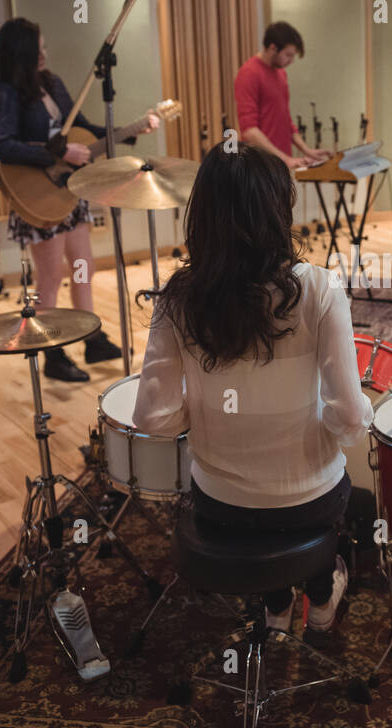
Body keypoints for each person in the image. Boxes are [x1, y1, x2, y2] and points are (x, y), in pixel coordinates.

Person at [133, 142, 373, 632]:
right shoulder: (321, 289)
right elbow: (350, 420)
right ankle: (320, 597)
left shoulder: (177, 300)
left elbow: (152, 420)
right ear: (277, 211)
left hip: (220, 505)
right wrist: (334, 419)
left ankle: (276, 604)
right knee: (345, 499)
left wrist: (204, 412)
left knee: (259, 515)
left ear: (202, 214)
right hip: (309, 500)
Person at [0, 17, 159, 382]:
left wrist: (130, 130)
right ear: (21, 51)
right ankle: (52, 352)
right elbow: (1, 145)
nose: (44, 54)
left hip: (69, 190)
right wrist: (58, 152)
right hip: (38, 195)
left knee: (84, 265)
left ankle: (91, 337)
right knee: (51, 276)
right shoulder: (9, 91)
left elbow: (84, 130)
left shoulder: (52, 84)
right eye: (38, 48)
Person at [234, 21, 330, 170]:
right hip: (261, 164)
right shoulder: (249, 73)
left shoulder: (281, 73)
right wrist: (286, 159)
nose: (291, 61)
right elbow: (250, 131)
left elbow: (286, 121)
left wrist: (307, 150)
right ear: (273, 48)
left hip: (281, 163)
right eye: (288, 55)